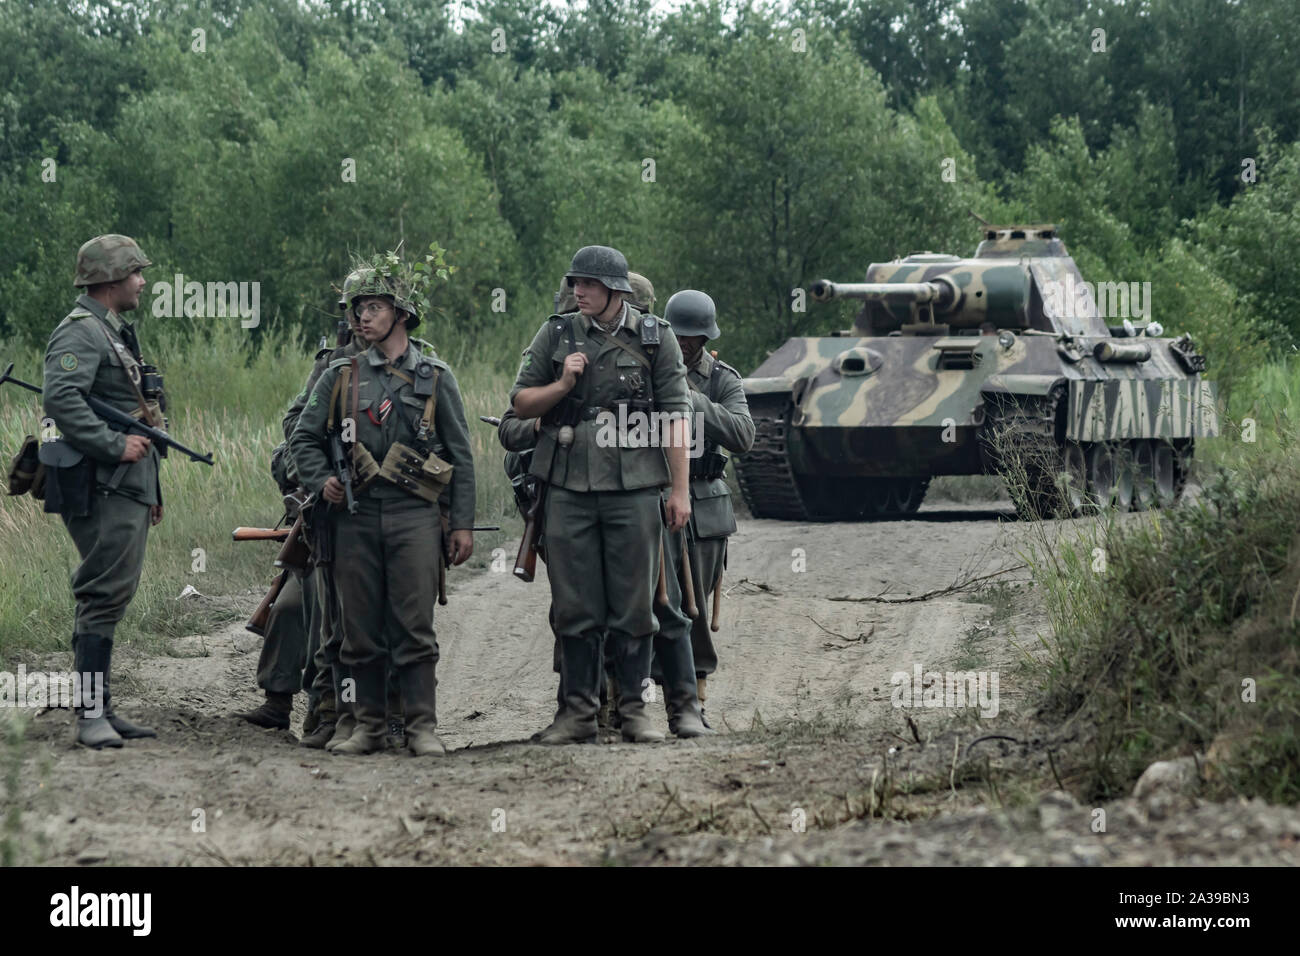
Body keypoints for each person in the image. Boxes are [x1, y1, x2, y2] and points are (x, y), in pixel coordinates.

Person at [290, 268, 475, 756]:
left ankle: (421, 727)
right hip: (355, 515)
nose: (362, 317)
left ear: (402, 314)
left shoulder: (435, 377)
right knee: (359, 628)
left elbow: (460, 455)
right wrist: (319, 480)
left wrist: (461, 525)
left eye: (374, 307)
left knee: (414, 626)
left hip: (415, 515)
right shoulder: (341, 375)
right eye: (358, 309)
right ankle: (368, 726)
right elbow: (302, 440)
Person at [511, 245, 691, 744]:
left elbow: (676, 416)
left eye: (586, 284)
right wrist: (564, 383)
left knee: (635, 606)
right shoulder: (557, 332)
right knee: (574, 605)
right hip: (568, 486)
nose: (577, 291)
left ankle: (634, 711)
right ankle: (577, 713)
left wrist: (680, 491)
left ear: (614, 290)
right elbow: (521, 402)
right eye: (574, 283)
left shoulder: (655, 339)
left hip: (634, 488)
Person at [42, 234, 162, 749]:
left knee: (113, 593)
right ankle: (91, 714)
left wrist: (152, 487)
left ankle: (103, 708)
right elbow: (61, 399)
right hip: (101, 484)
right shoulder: (80, 334)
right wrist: (114, 446)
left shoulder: (110, 332)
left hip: (127, 486)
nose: (142, 281)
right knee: (100, 592)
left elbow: (136, 412)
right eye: (135, 273)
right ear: (112, 279)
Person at [661, 290, 754, 713]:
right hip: (656, 492)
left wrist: (692, 399)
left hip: (706, 500)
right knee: (651, 598)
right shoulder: (650, 369)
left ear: (705, 337)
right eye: (678, 335)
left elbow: (743, 434)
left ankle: (694, 691)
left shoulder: (721, 378)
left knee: (693, 597)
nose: (683, 343)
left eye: (692, 337)